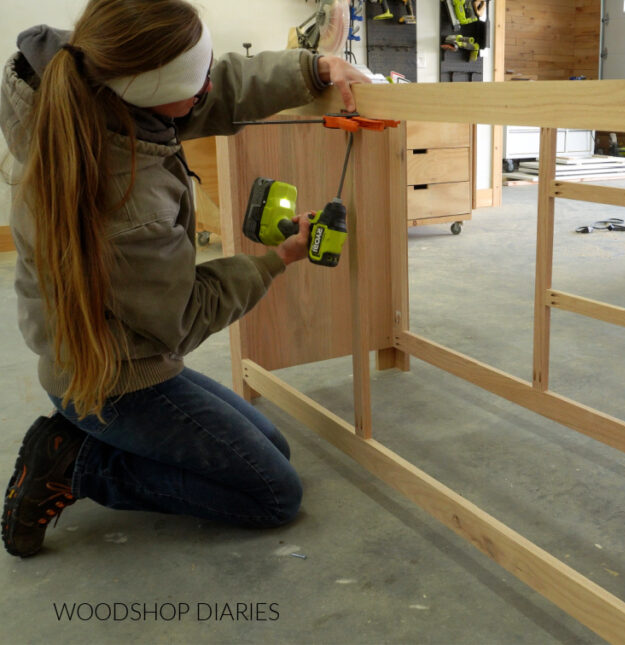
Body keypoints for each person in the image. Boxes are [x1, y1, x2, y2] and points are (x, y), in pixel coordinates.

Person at [1, 0, 369, 557]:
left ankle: (85, 436)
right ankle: (80, 464)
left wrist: (310, 69)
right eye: (195, 84)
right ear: (151, 90)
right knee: (274, 493)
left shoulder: (86, 78)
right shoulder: (131, 210)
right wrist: (276, 260)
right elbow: (183, 318)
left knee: (271, 447)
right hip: (115, 376)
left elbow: (216, 86)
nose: (206, 91)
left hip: (102, 349)